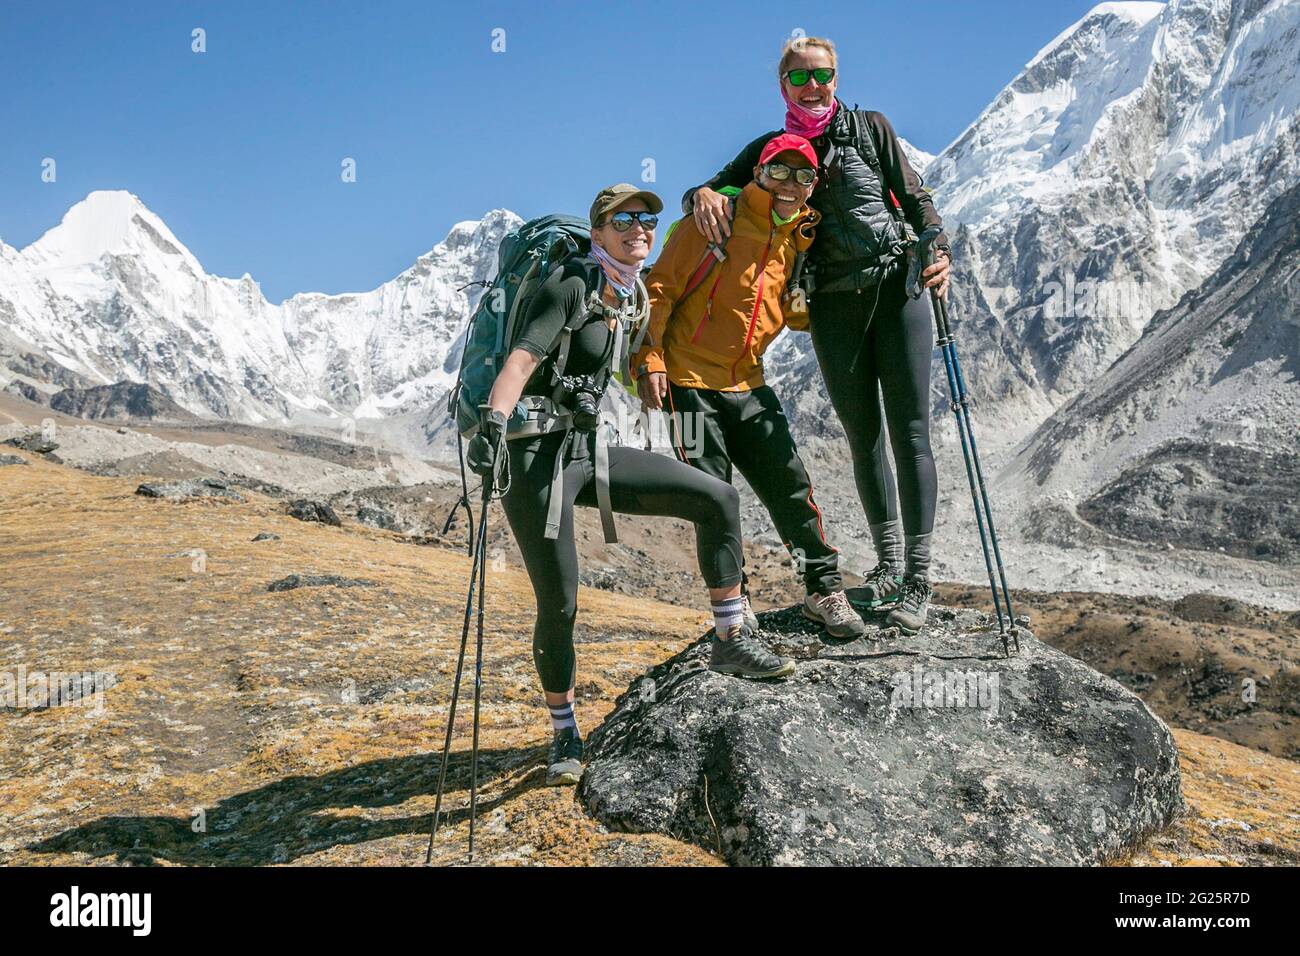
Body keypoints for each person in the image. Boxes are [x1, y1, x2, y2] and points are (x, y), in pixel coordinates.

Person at [465, 184, 795, 788]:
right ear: (598, 232)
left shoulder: (628, 293)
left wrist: (653, 371)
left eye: (647, 219)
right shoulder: (571, 282)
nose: (640, 228)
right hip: (532, 456)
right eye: (625, 220)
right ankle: (564, 731)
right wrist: (492, 422)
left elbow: (629, 351)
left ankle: (729, 638)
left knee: (715, 497)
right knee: (560, 602)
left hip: (584, 450)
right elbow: (521, 359)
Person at [683, 36, 953, 635]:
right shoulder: (769, 151)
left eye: (823, 75)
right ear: (782, 87)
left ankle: (918, 576)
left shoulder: (871, 128)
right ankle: (885, 567)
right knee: (863, 435)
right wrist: (701, 194)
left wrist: (938, 248)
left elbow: (917, 201)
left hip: (896, 290)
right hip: (831, 304)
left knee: (910, 432)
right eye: (800, 79)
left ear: (836, 77)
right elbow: (713, 189)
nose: (813, 87)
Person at [631, 132, 865, 640]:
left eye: (803, 175)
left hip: (748, 381)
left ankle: (822, 588)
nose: (790, 183)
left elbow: (789, 310)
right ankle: (736, 610)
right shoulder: (713, 219)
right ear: (757, 173)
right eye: (778, 171)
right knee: (715, 499)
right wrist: (651, 360)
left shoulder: (800, 235)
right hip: (687, 381)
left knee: (790, 486)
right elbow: (660, 291)